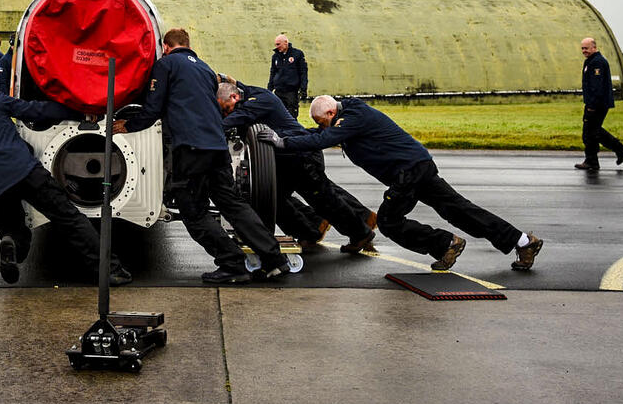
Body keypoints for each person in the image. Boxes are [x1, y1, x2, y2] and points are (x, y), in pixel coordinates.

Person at [259, 95, 544, 272]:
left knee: (390, 222)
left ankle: (447, 243)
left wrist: (282, 142)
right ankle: (522, 241)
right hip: (417, 168)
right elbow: (317, 134)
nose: (323, 128)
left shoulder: (352, 117)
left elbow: (322, 139)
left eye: (323, 122)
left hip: (409, 173)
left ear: (332, 114)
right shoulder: (347, 118)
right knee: (460, 209)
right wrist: (291, 135)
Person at [114, 28, 288, 283]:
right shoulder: (206, 69)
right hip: (217, 146)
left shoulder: (166, 65)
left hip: (191, 149)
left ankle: (232, 264)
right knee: (232, 204)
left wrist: (128, 126)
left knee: (193, 210)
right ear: (188, 45)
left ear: (166, 47)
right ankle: (275, 260)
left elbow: (152, 108)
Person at [0, 86, 132, 286]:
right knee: (69, 219)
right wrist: (81, 114)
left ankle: (11, 245)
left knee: (14, 231)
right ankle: (111, 272)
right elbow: (38, 110)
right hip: (26, 173)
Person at [217, 81, 376, 254]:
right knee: (273, 199)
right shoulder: (246, 98)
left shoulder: (258, 102)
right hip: (284, 160)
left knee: (324, 199)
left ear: (235, 97)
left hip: (301, 155)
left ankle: (361, 233)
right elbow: (237, 87)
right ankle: (309, 231)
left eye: (226, 108)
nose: (226, 113)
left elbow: (224, 124)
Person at [576, 37, 623, 171]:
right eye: (582, 48)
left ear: (594, 47)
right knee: (592, 132)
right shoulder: (590, 61)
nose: (584, 51)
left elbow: (597, 87)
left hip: (597, 104)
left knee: (591, 132)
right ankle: (593, 160)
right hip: (593, 102)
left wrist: (592, 106)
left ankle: (619, 150)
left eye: (586, 48)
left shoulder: (597, 62)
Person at [268, 34, 307, 118]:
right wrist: (269, 89)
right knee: (278, 115)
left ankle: (293, 131)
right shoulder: (275, 57)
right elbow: (273, 72)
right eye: (276, 44)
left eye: (278, 44)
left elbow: (303, 72)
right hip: (278, 91)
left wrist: (303, 88)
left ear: (285, 43)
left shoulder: (297, 54)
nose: (276, 47)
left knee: (292, 116)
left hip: (291, 92)